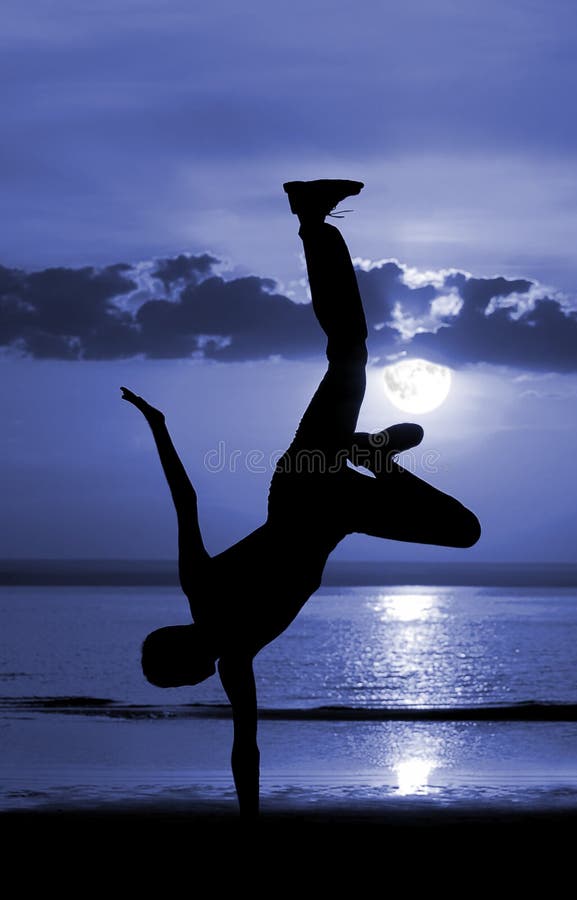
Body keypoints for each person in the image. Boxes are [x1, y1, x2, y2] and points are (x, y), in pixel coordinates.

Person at [121, 179, 480, 819]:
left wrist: (159, 428)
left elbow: (185, 501)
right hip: (339, 510)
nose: (197, 677)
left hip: (303, 485)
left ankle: (311, 218)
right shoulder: (235, 658)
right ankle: (372, 458)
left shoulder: (201, 589)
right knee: (462, 532)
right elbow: (245, 747)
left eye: (182, 672)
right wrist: (249, 822)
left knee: (349, 352)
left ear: (186, 654)